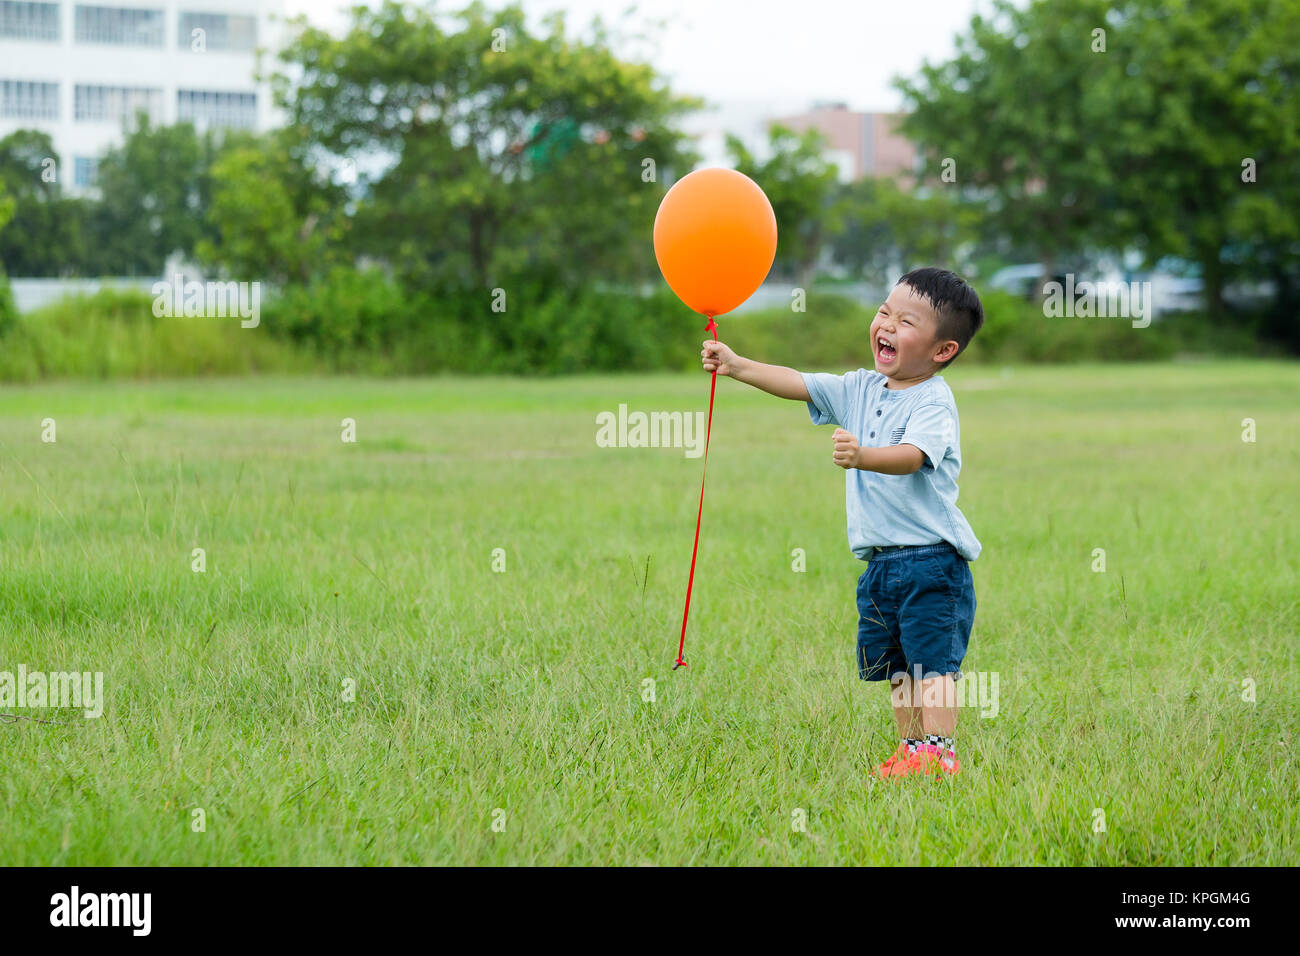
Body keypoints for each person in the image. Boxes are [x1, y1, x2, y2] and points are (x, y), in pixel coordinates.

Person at [700, 267, 984, 778]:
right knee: (898, 668)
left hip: (930, 561)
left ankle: (941, 754)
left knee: (932, 664)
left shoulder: (932, 400)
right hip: (881, 563)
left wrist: (864, 455)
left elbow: (914, 456)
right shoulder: (860, 388)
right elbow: (800, 382)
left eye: (906, 321)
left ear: (942, 351)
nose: (887, 325)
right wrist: (738, 366)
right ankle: (911, 749)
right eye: (883, 312)